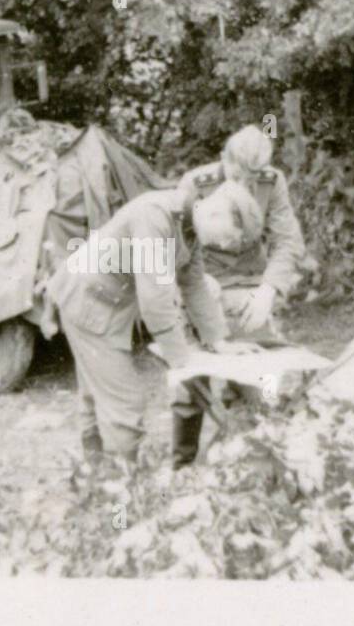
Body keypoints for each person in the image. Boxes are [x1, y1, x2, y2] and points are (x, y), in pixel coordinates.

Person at [49, 179, 263, 472]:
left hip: (107, 303)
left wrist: (220, 341)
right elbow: (155, 298)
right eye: (227, 239)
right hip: (89, 303)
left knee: (96, 394)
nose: (224, 247)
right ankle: (118, 490)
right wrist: (180, 358)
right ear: (216, 214)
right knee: (123, 403)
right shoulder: (155, 216)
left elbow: (194, 284)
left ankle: (96, 477)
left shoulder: (189, 227)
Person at [177, 124, 307, 342]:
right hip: (206, 279)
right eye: (237, 176)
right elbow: (175, 245)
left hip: (250, 280)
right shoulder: (195, 183)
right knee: (203, 357)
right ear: (223, 158)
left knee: (258, 354)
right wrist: (198, 278)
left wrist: (268, 289)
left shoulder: (273, 181)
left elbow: (287, 241)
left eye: (252, 178)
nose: (245, 185)